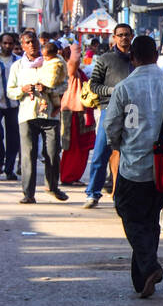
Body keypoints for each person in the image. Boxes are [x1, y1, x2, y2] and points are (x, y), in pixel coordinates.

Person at [102, 35, 163, 297]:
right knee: (149, 219)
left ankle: (150, 265)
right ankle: (144, 278)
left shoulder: (124, 88)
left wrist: (120, 145)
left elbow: (111, 127)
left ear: (132, 57)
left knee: (129, 213)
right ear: (156, 54)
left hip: (133, 166)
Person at [7, 30, 68, 203]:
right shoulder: (17, 66)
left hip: (50, 115)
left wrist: (48, 89)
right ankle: (28, 194)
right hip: (27, 115)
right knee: (28, 155)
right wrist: (22, 90)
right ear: (23, 45)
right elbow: (10, 91)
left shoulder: (51, 61)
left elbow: (64, 85)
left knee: (53, 153)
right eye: (27, 42)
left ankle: (53, 187)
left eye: (34, 41)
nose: (32, 45)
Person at [83, 23, 133, 207]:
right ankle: (93, 193)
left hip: (134, 112)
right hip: (109, 110)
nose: (124, 38)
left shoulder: (138, 59)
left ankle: (124, 194)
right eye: (120, 35)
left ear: (132, 36)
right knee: (100, 152)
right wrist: (113, 91)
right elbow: (93, 85)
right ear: (114, 37)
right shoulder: (105, 59)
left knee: (130, 154)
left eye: (127, 34)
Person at [59, 40, 96, 185]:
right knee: (72, 147)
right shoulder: (69, 69)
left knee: (82, 147)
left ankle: (74, 176)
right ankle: (68, 176)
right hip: (72, 111)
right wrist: (75, 46)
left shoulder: (79, 71)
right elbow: (73, 60)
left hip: (81, 111)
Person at [0, 29, 21, 179]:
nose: (7, 45)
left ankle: (9, 168)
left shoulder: (19, 61)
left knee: (13, 138)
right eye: (5, 43)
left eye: (10, 43)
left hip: (14, 104)